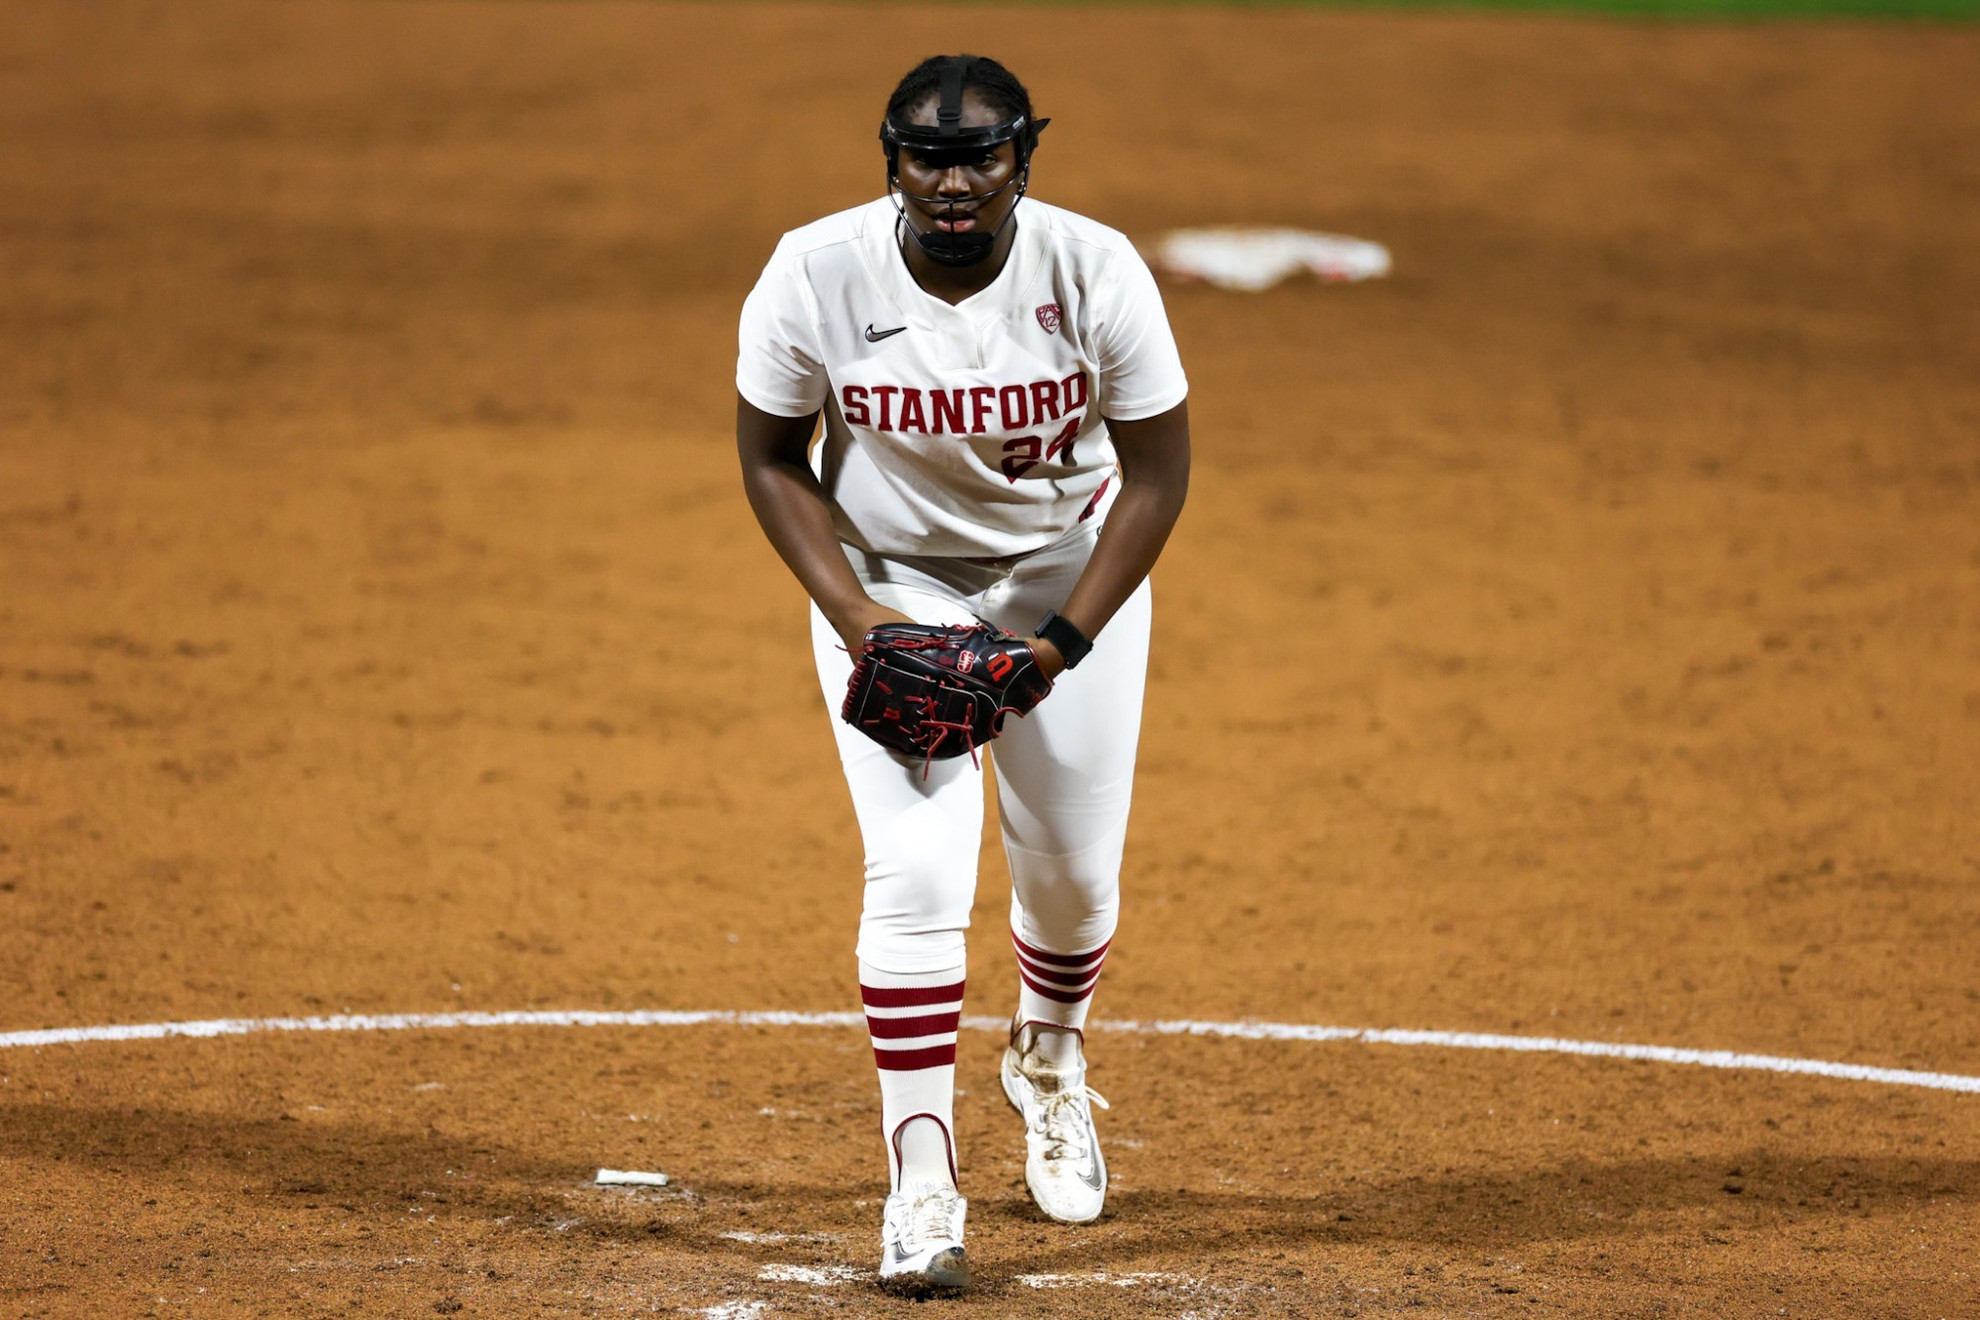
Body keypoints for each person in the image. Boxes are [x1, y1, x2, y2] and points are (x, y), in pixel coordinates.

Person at [734, 53, 1190, 1294]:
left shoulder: (1095, 270)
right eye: (926, 158)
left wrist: (1060, 646)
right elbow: (771, 456)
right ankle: (922, 1183)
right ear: (890, 160)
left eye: (979, 156)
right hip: (892, 588)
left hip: (1067, 581)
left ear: (1021, 159)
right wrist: (862, 620)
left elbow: (1157, 475)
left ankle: (1048, 1058)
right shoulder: (815, 271)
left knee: (1074, 885)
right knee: (920, 870)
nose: (951, 183)